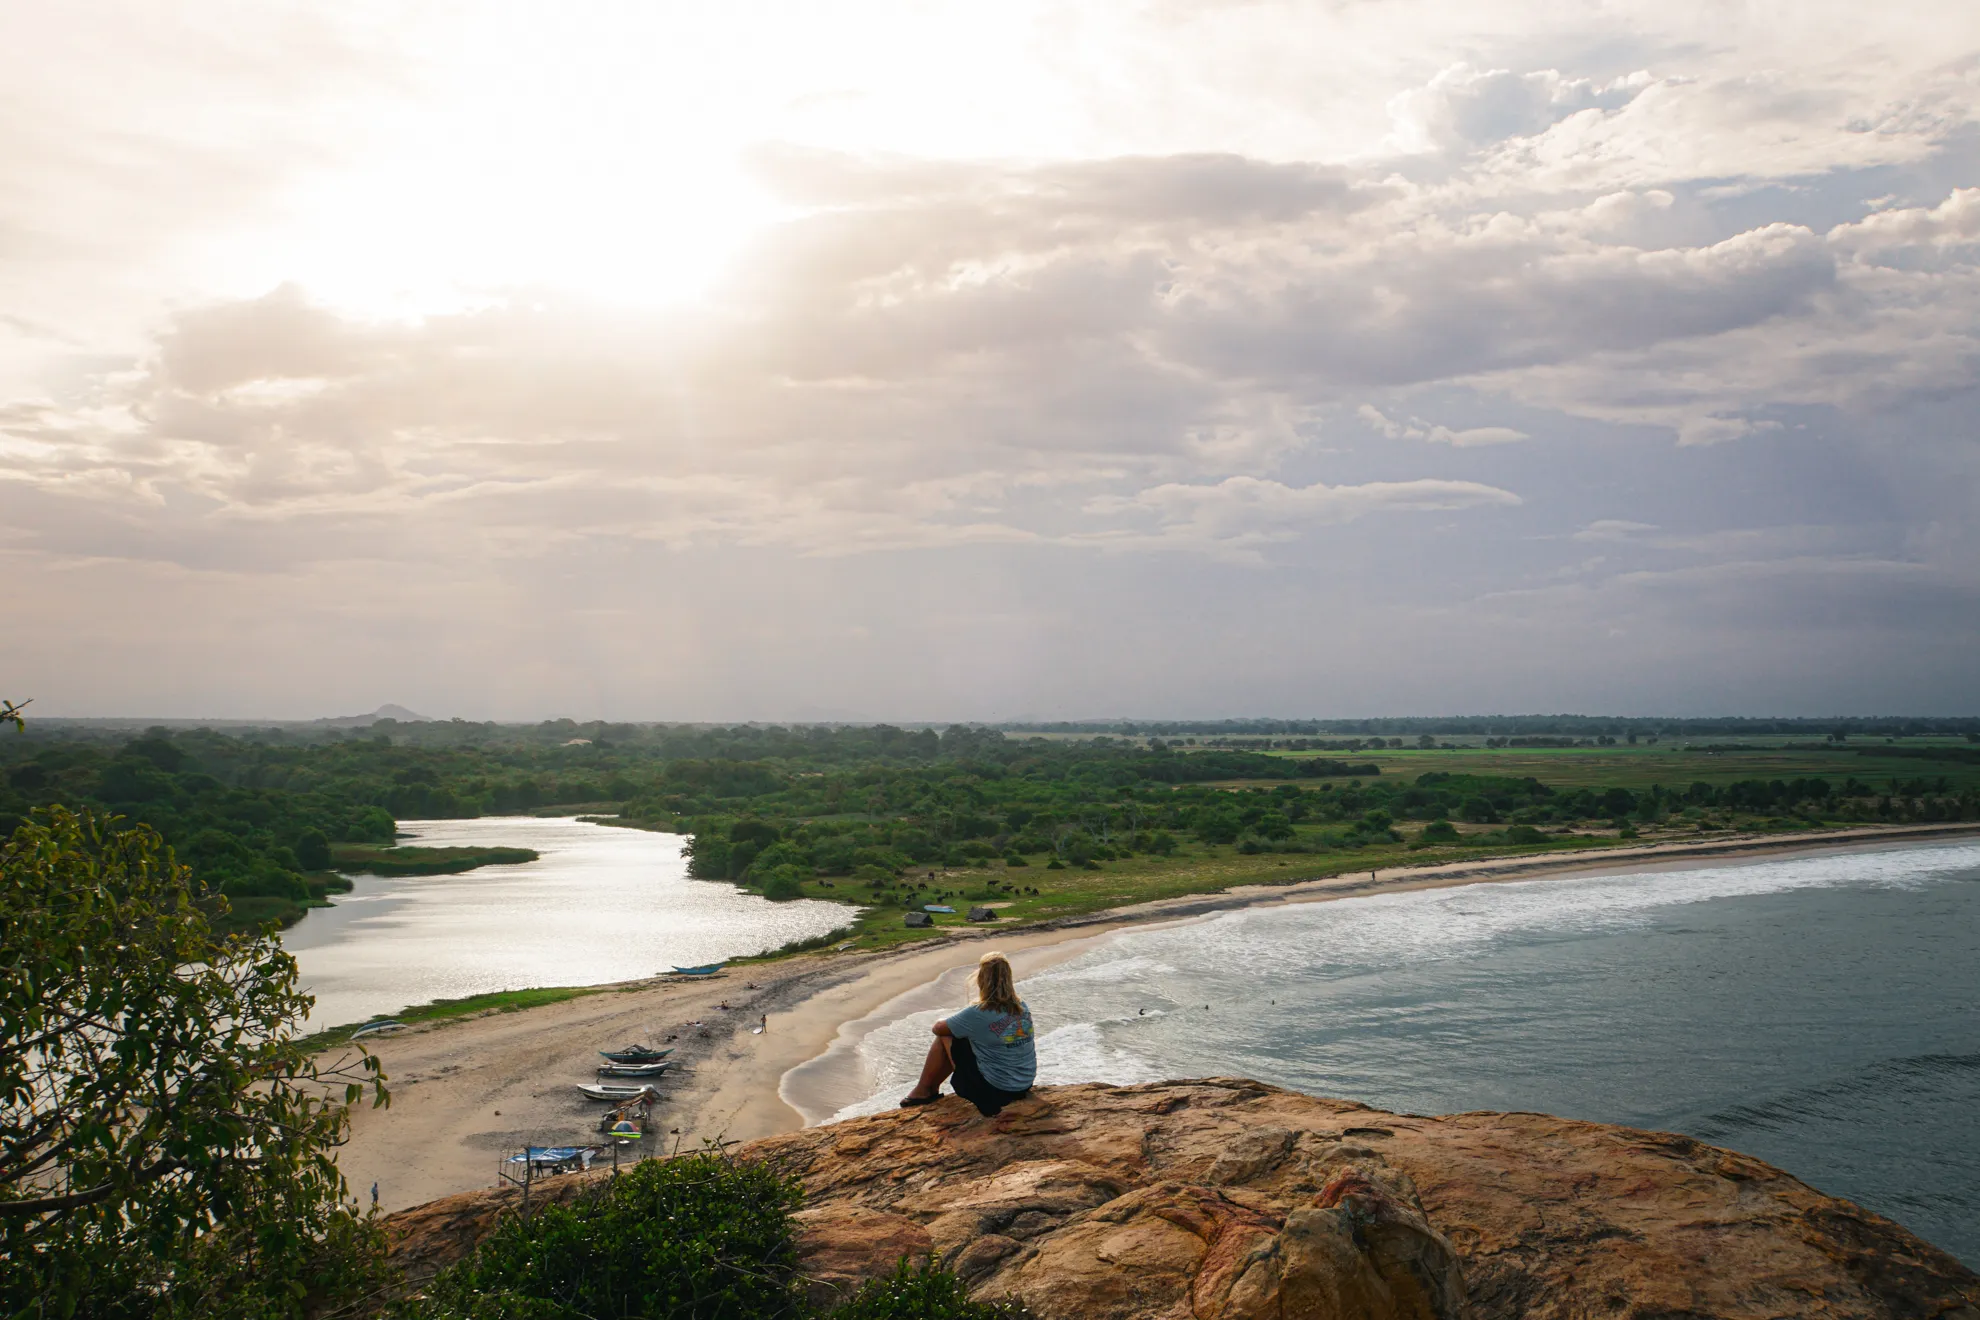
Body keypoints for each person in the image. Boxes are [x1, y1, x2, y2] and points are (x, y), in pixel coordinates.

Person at [900, 951, 1035, 1116]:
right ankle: (926, 1089)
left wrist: (950, 1021)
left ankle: (924, 1090)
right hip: (1023, 1085)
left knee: (947, 1035)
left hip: (996, 1092)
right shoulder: (1021, 1006)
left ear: (981, 979)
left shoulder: (979, 1012)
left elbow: (938, 1028)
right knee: (968, 1036)